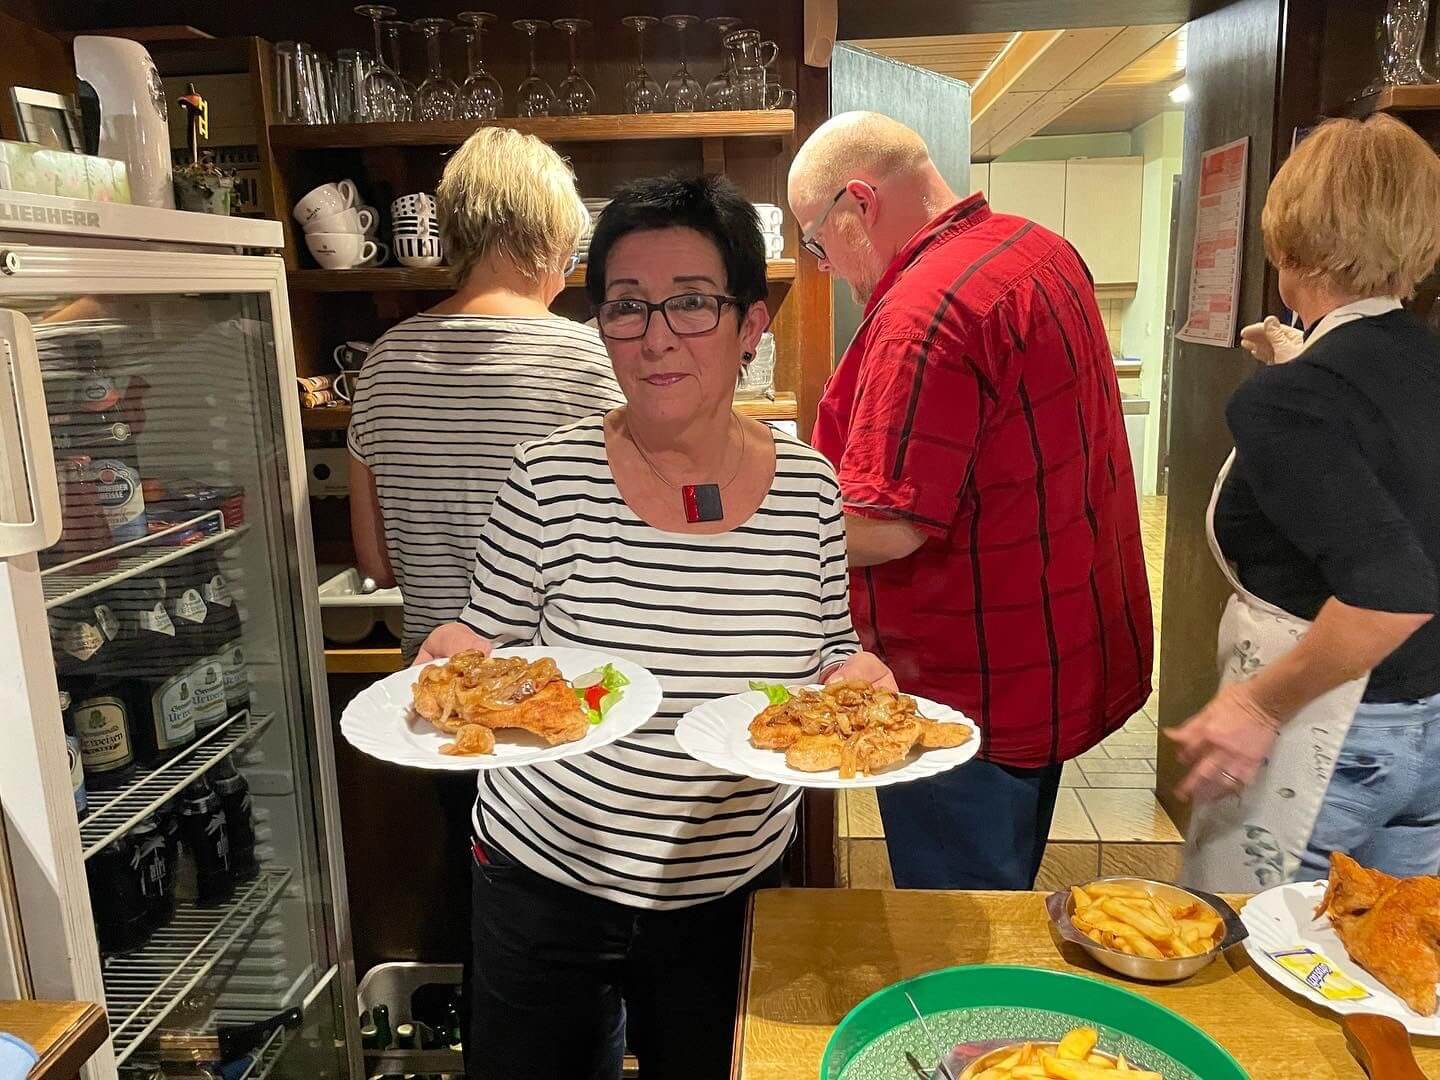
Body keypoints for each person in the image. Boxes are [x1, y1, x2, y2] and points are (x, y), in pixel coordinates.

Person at [414, 174, 894, 1079]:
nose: (656, 336)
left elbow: (828, 645)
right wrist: (455, 654)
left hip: (733, 885)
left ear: (752, 325)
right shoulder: (545, 477)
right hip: (544, 879)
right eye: (626, 306)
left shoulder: (808, 488)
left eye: (693, 302)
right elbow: (487, 643)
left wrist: (853, 673)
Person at [788, 111, 1153, 891]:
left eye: (817, 242)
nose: (823, 267)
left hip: (963, 691)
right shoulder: (1041, 248)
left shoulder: (923, 312)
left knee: (957, 919)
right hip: (1051, 657)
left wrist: (761, 527)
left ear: (860, 203)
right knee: (1006, 881)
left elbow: (887, 525)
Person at [1173, 114, 1440, 890]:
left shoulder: (1290, 403)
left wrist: (1259, 706)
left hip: (1331, 731)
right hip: (1429, 724)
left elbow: (1394, 593)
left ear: (1291, 244)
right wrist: (1298, 359)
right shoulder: (1418, 361)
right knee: (1386, 945)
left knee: (1264, 943)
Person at [348, 126, 624, 662]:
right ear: (552, 240)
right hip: (553, 683)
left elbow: (376, 566)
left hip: (431, 678)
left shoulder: (382, 361)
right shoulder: (592, 360)